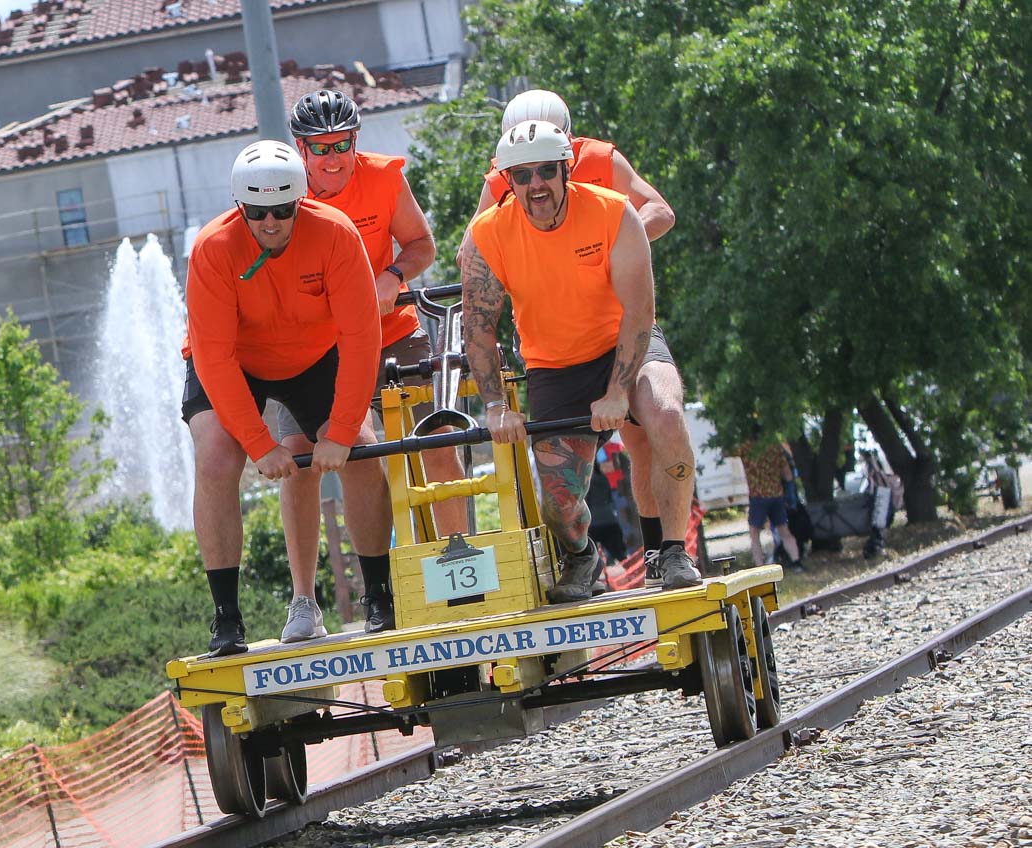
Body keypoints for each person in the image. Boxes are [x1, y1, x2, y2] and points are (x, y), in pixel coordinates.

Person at [461, 119, 702, 602]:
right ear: (507, 181)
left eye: (546, 171)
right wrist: (494, 406)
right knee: (558, 497)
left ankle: (674, 551)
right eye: (522, 176)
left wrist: (617, 391)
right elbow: (478, 330)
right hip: (555, 364)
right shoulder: (486, 236)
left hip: (624, 343)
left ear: (566, 169)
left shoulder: (613, 213)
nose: (536, 186)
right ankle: (581, 556)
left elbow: (639, 311)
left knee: (667, 414)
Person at [181, 139, 392, 656]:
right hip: (235, 362)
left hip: (313, 355)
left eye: (282, 210)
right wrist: (258, 444)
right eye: (256, 212)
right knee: (214, 459)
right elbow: (214, 358)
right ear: (239, 207)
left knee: (362, 452)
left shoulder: (336, 236)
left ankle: (380, 595)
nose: (270, 222)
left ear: (301, 201)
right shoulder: (212, 248)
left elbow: (363, 339)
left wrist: (341, 432)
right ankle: (226, 618)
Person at [275, 88, 468, 640]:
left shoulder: (383, 177)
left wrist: (393, 277)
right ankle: (305, 600)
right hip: (321, 347)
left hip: (392, 333)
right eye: (319, 147)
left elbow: (421, 244)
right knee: (297, 456)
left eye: (342, 144)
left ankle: (457, 570)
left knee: (437, 438)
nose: (332, 158)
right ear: (301, 149)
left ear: (355, 142)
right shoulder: (282, 193)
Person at [734, 435, 802, 569]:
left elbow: (726, 452)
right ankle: (797, 562)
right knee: (784, 531)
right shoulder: (774, 447)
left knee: (754, 534)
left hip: (757, 496)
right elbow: (788, 475)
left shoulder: (745, 447)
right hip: (776, 494)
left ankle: (760, 566)